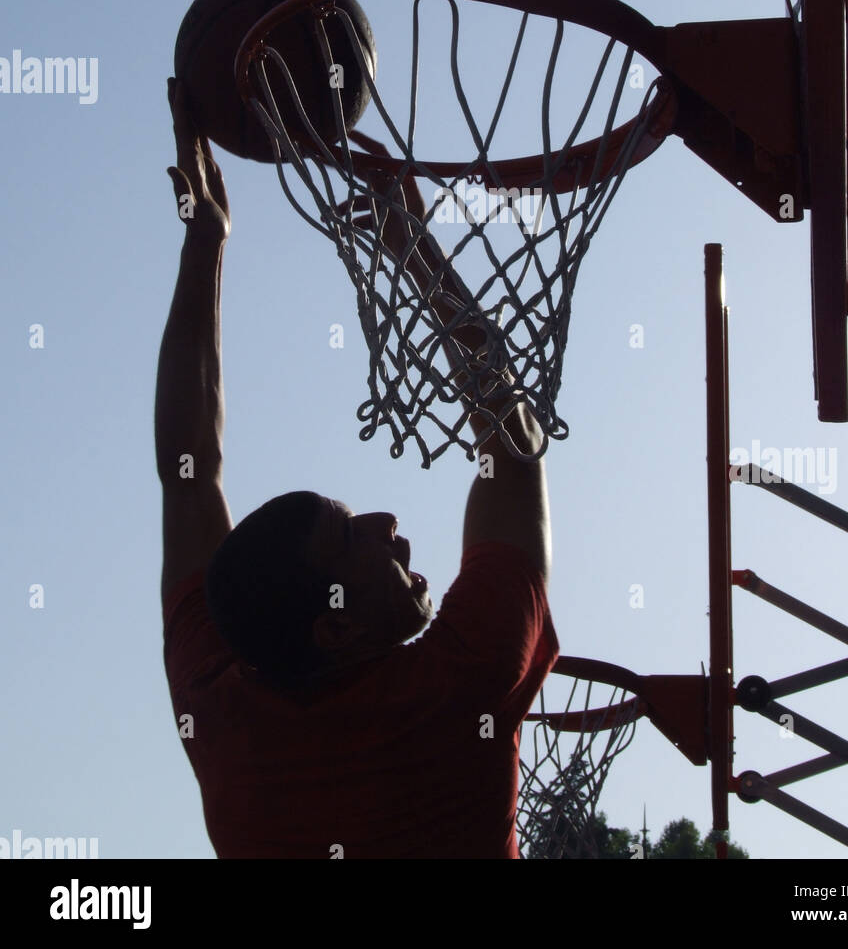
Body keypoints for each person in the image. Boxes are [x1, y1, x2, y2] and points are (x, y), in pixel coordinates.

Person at [156, 77, 558, 858]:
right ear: (335, 625)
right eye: (352, 537)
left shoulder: (223, 709)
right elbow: (513, 448)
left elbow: (188, 472)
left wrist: (203, 239)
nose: (387, 523)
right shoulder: (458, 683)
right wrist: (415, 251)